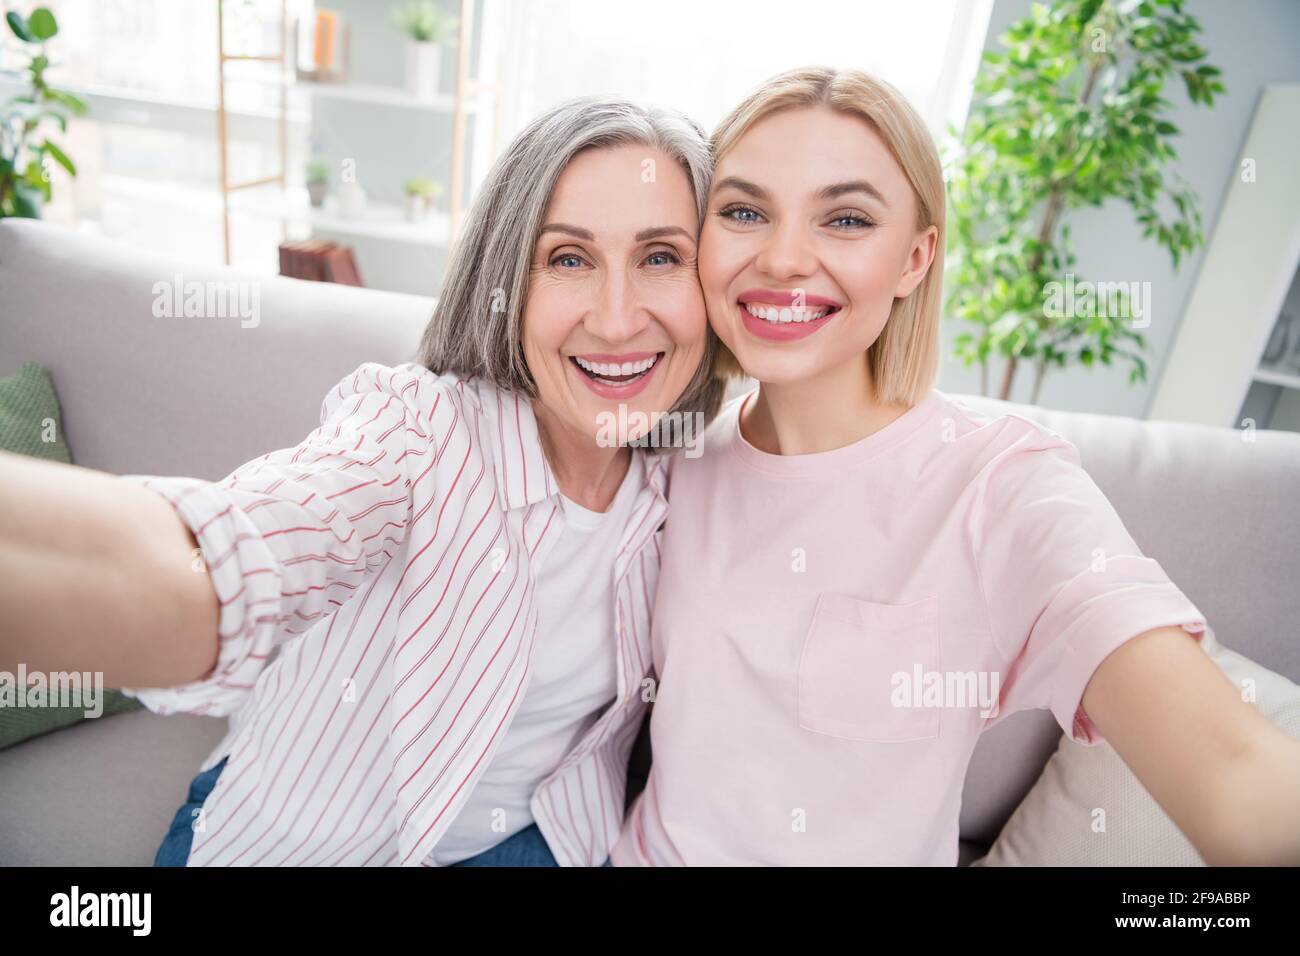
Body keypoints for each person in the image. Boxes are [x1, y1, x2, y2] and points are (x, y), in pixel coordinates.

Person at [0, 97, 723, 866]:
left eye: (661, 257)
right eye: (569, 259)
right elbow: (249, 548)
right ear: (504, 282)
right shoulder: (415, 431)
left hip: (539, 839)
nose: (616, 321)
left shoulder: (690, 480)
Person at [613, 67, 1300, 866]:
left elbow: (1237, 772)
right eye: (743, 211)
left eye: (845, 218)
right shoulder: (673, 455)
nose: (783, 258)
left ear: (914, 259)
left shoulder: (1004, 484)